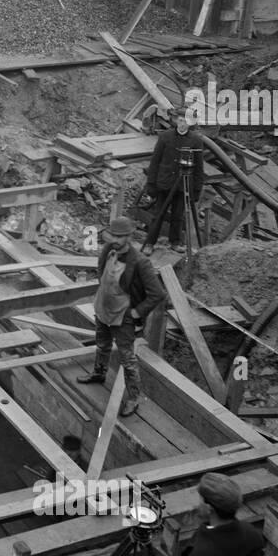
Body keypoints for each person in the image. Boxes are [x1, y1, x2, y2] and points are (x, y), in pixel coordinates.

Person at [75, 216, 165, 417]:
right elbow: (101, 272)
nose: (114, 239)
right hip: (103, 308)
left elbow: (158, 294)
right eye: (112, 235)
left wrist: (137, 312)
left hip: (122, 315)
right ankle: (99, 374)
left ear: (129, 237)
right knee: (102, 344)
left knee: (127, 357)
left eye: (119, 236)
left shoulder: (140, 262)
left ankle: (134, 397)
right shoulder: (108, 250)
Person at [144, 106, 204, 253]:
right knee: (158, 214)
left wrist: (196, 189)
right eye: (180, 120)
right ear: (177, 120)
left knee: (178, 215)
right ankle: (150, 243)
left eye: (185, 121)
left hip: (182, 185)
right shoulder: (165, 137)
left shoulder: (196, 140)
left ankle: (175, 242)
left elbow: (198, 167)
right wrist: (151, 184)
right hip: (165, 182)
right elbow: (155, 162)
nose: (182, 124)